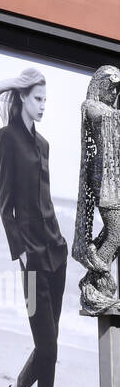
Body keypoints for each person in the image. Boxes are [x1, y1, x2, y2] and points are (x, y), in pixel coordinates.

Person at [0, 68, 70, 387]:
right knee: (49, 347)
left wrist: (60, 242)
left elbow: (46, 200)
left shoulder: (44, 144)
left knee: (48, 347)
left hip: (56, 253)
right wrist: (20, 253)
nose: (42, 105)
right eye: (37, 98)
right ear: (23, 97)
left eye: (45, 99)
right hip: (31, 261)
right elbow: (5, 202)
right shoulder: (8, 138)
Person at [72, 65, 120, 314]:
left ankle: (95, 275)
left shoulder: (112, 111)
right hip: (104, 184)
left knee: (113, 234)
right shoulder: (91, 107)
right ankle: (99, 280)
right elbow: (103, 117)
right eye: (110, 88)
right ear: (99, 86)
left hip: (115, 182)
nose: (113, 94)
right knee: (116, 234)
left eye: (116, 90)